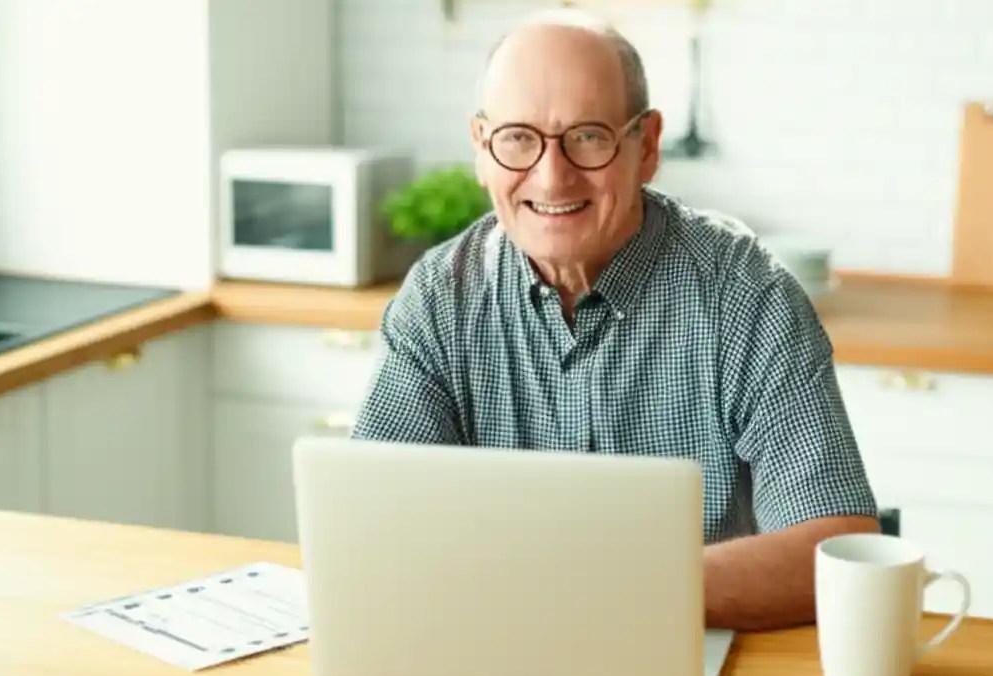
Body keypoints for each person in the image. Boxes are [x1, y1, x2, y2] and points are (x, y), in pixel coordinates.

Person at [353, 9, 879, 631]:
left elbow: (834, 554)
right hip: (493, 648)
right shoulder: (441, 296)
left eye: (589, 136)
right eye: (519, 137)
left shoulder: (745, 296)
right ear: (481, 148)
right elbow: (371, 526)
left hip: (687, 654)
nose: (552, 176)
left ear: (647, 145)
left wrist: (597, 590)